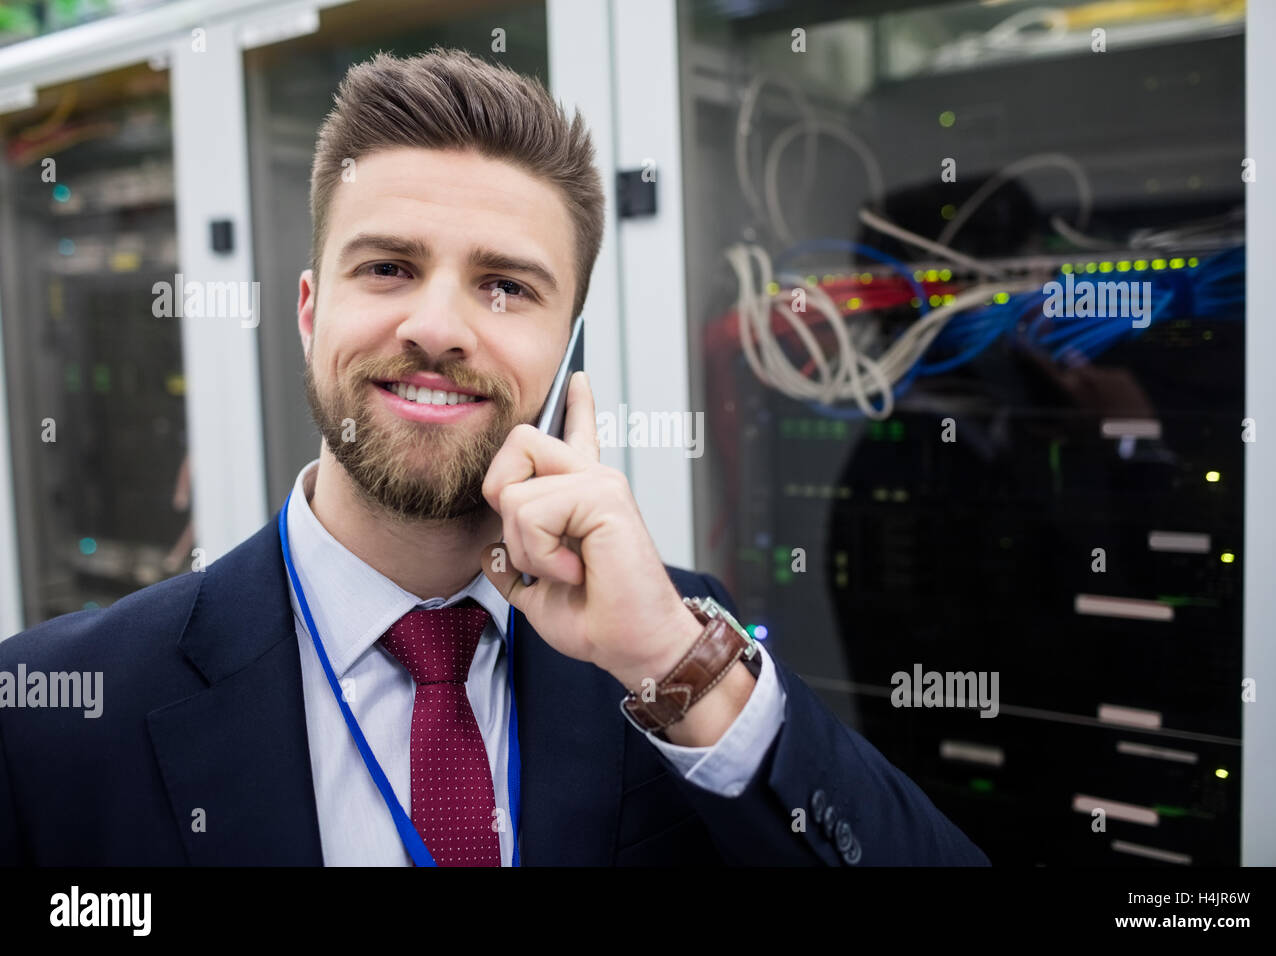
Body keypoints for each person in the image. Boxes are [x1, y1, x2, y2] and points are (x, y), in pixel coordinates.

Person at [0, 47, 987, 867]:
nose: (436, 327)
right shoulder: (53, 714)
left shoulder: (666, 652)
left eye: (505, 285)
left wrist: (670, 661)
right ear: (310, 315)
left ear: (569, 353)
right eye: (388, 267)